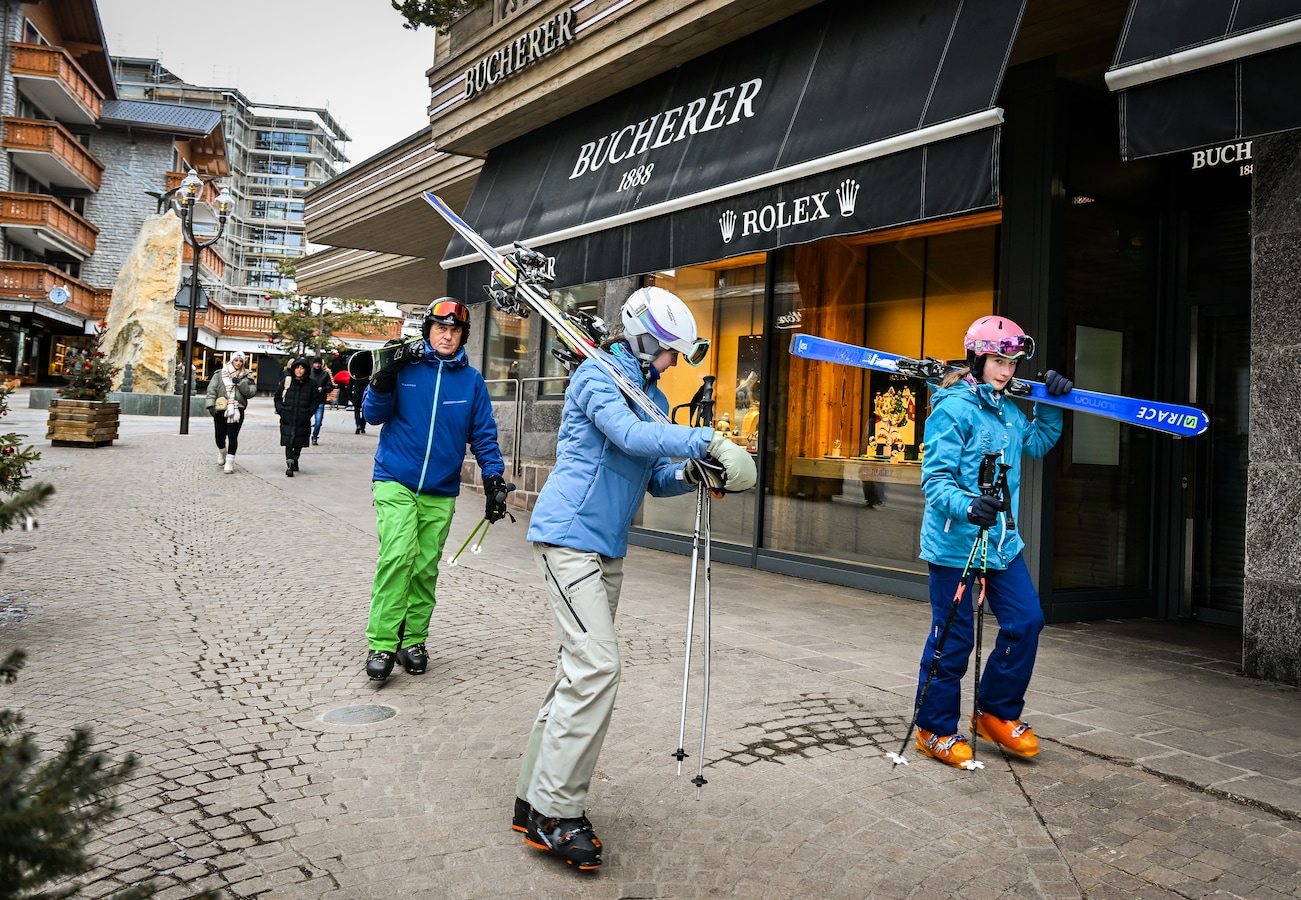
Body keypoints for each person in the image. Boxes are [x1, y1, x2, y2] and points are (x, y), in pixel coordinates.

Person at [513, 286, 756, 871]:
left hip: (607, 548)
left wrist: (696, 471)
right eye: (669, 351)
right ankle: (556, 812)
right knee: (598, 667)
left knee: (576, 672)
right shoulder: (598, 376)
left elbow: (654, 475)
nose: (673, 363)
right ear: (644, 339)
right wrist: (706, 438)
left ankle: (532, 800)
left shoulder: (646, 393)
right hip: (568, 537)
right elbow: (628, 435)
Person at [911, 315, 1073, 768]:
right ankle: (934, 728)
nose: (1006, 370)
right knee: (955, 638)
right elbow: (935, 479)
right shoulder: (952, 407)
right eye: (998, 360)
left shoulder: (1008, 412)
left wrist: (1052, 402)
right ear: (977, 358)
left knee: (1026, 622)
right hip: (954, 546)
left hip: (1002, 545)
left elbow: (1038, 442)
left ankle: (996, 713)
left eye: (1013, 362)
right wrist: (967, 506)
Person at [362, 298, 506, 683]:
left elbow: (483, 435)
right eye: (440, 328)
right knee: (398, 555)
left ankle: (414, 639)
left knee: (425, 567)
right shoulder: (405, 365)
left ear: (463, 336)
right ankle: (381, 641)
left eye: (454, 330)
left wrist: (494, 479)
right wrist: (382, 379)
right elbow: (372, 415)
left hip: (440, 489)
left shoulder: (471, 380)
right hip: (394, 477)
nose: (447, 335)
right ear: (428, 330)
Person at [204, 351, 256, 474]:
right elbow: (211, 390)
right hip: (221, 409)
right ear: (232, 360)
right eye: (236, 360)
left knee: (232, 436)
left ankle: (229, 462)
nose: (238, 363)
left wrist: (240, 383)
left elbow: (250, 393)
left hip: (238, 409)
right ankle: (222, 451)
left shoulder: (247, 376)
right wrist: (211, 406)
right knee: (219, 435)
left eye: (241, 361)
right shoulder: (220, 374)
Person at [275, 359, 317, 477]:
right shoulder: (286, 381)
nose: (299, 370)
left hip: (302, 417)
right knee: (288, 441)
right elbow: (277, 397)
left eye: (302, 368)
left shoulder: (311, 384)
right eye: (297, 367)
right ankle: (289, 465)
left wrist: (308, 413)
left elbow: (315, 401)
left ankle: (295, 458)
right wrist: (281, 410)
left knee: (298, 442)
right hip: (287, 416)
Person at [309, 357, 332, 444]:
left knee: (318, 421)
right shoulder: (309, 373)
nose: (317, 365)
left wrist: (322, 389)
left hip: (320, 400)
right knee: (305, 420)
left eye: (319, 363)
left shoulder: (325, 374)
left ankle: (314, 437)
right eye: (316, 363)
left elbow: (330, 387)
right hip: (309, 400)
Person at [351, 363, 370, 434]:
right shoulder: (368, 374)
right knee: (364, 411)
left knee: (357, 411)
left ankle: (358, 424)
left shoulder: (355, 373)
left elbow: (350, 385)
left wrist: (350, 395)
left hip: (357, 394)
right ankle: (363, 426)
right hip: (365, 395)